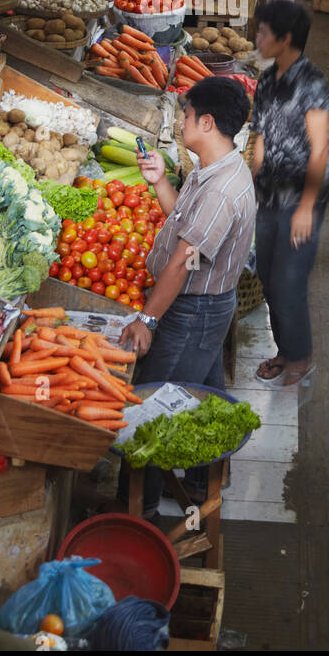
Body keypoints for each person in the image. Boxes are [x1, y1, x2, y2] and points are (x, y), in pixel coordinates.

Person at [120, 78, 255, 518]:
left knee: (153, 407)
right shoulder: (214, 167)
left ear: (207, 122)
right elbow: (182, 219)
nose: (180, 123)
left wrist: (148, 319)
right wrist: (160, 182)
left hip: (194, 310)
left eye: (185, 115)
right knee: (202, 390)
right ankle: (203, 483)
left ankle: (139, 515)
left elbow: (182, 261)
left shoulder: (221, 189)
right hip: (206, 309)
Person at [250, 0, 329, 388]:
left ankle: (301, 358)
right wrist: (247, 184)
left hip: (301, 200)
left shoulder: (313, 83)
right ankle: (285, 350)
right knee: (268, 278)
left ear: (284, 39)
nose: (258, 38)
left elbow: (319, 149)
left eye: (264, 32)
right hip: (268, 195)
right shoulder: (267, 80)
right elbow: (261, 139)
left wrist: (306, 207)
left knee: (289, 280)